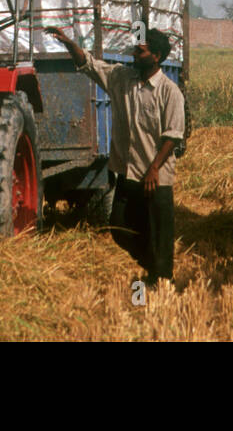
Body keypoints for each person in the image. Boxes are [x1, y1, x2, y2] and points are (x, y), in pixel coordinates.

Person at [46, 25, 184, 286]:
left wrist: (154, 168)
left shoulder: (169, 91)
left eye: (140, 51)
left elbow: (172, 136)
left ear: (156, 56)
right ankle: (152, 265)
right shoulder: (121, 78)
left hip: (155, 176)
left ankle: (162, 281)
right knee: (119, 227)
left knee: (159, 234)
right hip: (126, 171)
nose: (134, 54)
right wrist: (68, 43)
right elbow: (89, 65)